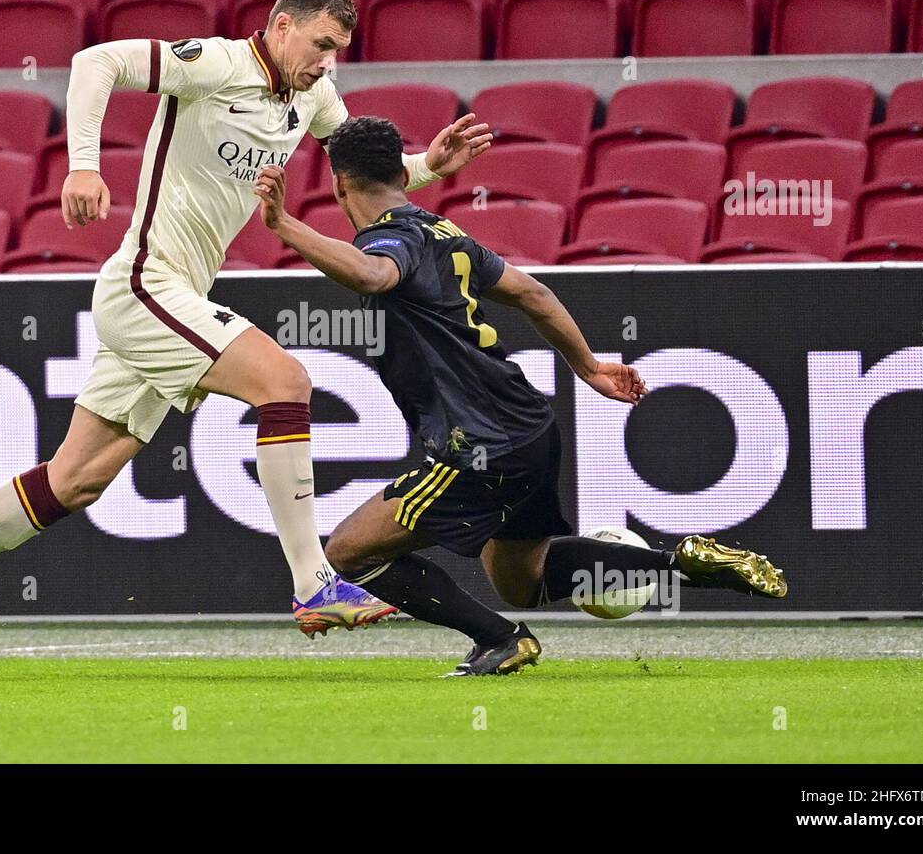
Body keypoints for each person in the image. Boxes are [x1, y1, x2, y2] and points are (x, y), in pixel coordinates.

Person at [0, 0, 494, 674]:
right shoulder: (218, 65)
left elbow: (370, 172)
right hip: (145, 283)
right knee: (285, 381)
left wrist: (427, 169)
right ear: (282, 27)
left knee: (76, 480)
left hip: (175, 298)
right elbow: (94, 62)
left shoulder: (312, 96)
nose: (327, 61)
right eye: (321, 44)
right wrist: (82, 168)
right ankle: (314, 583)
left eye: (339, 49)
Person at [253, 115, 789, 676]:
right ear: (398, 171)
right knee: (524, 580)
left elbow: (371, 275)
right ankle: (681, 563)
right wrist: (588, 366)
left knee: (346, 553)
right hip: (530, 429)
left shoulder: (388, 239)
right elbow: (532, 293)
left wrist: (284, 224)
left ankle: (500, 640)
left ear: (340, 185)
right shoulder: (445, 232)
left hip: (477, 445)